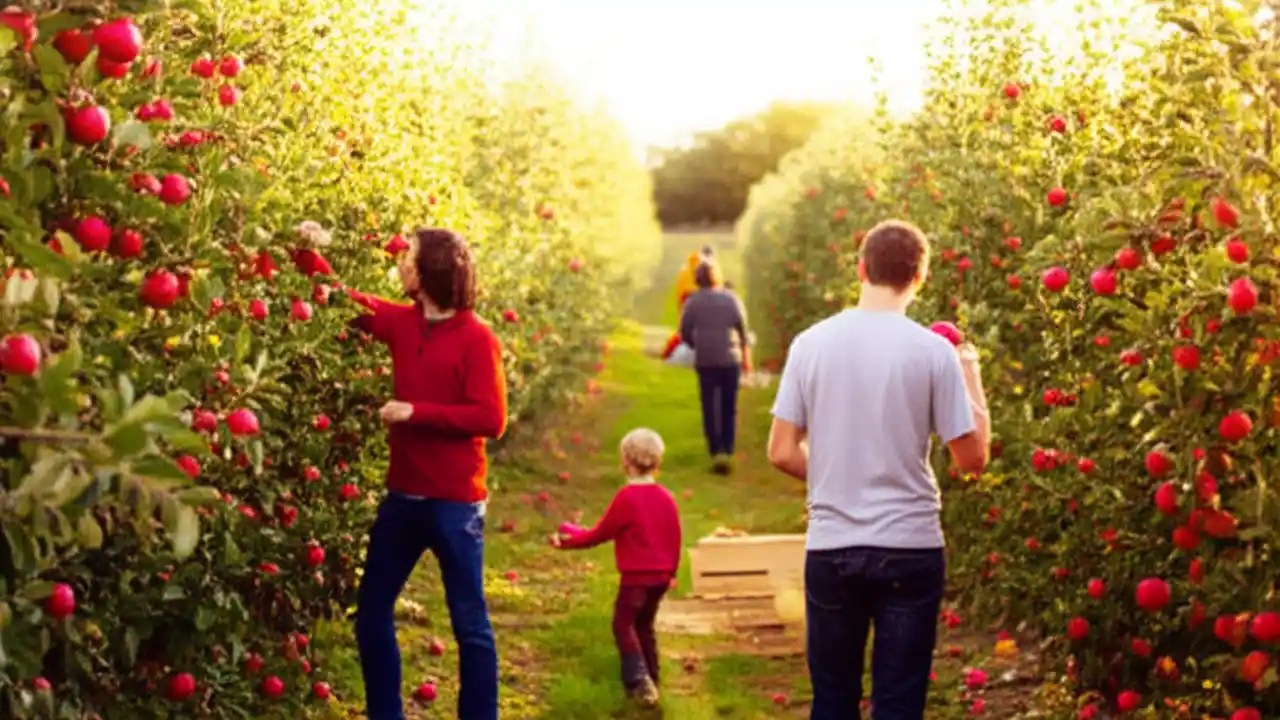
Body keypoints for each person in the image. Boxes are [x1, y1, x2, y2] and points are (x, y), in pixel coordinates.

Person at [766, 219, 990, 720]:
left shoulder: (810, 344)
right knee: (898, 702)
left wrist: (833, 477)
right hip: (909, 546)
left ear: (860, 269)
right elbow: (973, 459)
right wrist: (969, 372)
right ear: (920, 277)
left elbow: (781, 451)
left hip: (832, 545)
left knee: (833, 698)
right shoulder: (934, 352)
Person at [346, 228, 507, 720]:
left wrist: (416, 412)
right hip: (404, 497)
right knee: (372, 611)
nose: (399, 263)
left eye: (407, 257)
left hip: (455, 502)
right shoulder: (404, 323)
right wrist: (305, 249)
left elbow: (490, 419)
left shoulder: (477, 339)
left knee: (469, 624)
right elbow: (341, 303)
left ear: (425, 272)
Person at [552, 428, 682, 707]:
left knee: (623, 624)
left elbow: (600, 534)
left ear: (625, 461)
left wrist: (567, 543)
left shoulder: (627, 498)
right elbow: (675, 537)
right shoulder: (666, 498)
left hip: (636, 577)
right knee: (644, 625)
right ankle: (653, 680)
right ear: (657, 462)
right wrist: (671, 572)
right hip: (660, 578)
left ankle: (639, 681)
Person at [679, 262, 751, 473]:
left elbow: (684, 331)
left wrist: (697, 344)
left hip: (706, 359)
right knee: (729, 406)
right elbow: (742, 328)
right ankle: (727, 450)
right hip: (730, 358)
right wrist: (742, 349)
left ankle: (714, 449)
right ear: (716, 278)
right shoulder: (731, 299)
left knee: (709, 405)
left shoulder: (692, 302)